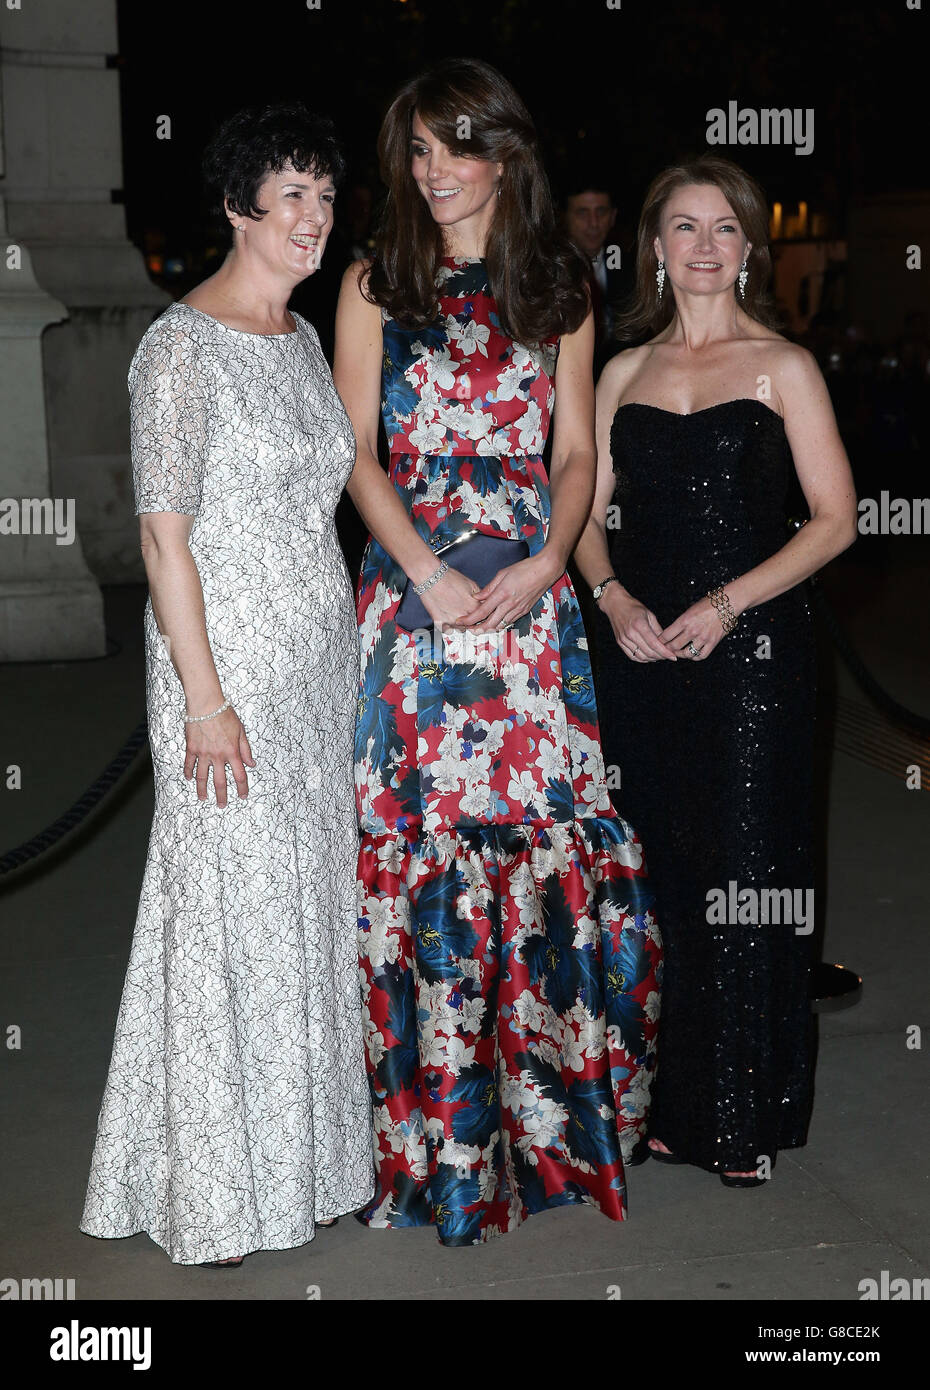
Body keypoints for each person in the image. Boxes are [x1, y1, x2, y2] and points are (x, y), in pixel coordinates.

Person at [333, 58, 661, 1247]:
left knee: (532, 855)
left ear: (505, 154)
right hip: (414, 603)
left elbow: (576, 454)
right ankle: (429, 1144)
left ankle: (545, 1133)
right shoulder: (374, 282)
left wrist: (543, 561)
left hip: (529, 602)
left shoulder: (562, 285)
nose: (432, 172)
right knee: (423, 855)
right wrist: (423, 571)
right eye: (414, 152)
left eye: (453, 147)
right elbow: (356, 450)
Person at [80, 103, 374, 1265]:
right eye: (289, 195)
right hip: (227, 670)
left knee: (304, 908)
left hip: (315, 666)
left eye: (324, 195)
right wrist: (203, 700)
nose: (313, 218)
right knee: (226, 914)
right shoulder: (179, 349)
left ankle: (307, 1161)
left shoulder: (300, 339)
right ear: (236, 207)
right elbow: (164, 541)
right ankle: (214, 1182)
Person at [574, 155, 857, 1185]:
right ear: (654, 246)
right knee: (663, 879)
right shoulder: (620, 370)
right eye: (683, 227)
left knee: (747, 875)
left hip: (755, 664)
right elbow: (585, 518)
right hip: (645, 655)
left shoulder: (784, 366)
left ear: (748, 249)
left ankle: (741, 1115)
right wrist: (613, 598)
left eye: (723, 228)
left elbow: (836, 521)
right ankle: (667, 1103)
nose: (702, 245)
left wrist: (731, 603)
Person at [563, 180, 635, 374]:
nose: (593, 223)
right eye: (582, 213)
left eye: (601, 212)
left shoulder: (632, 269)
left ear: (613, 217)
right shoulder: (546, 273)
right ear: (565, 217)